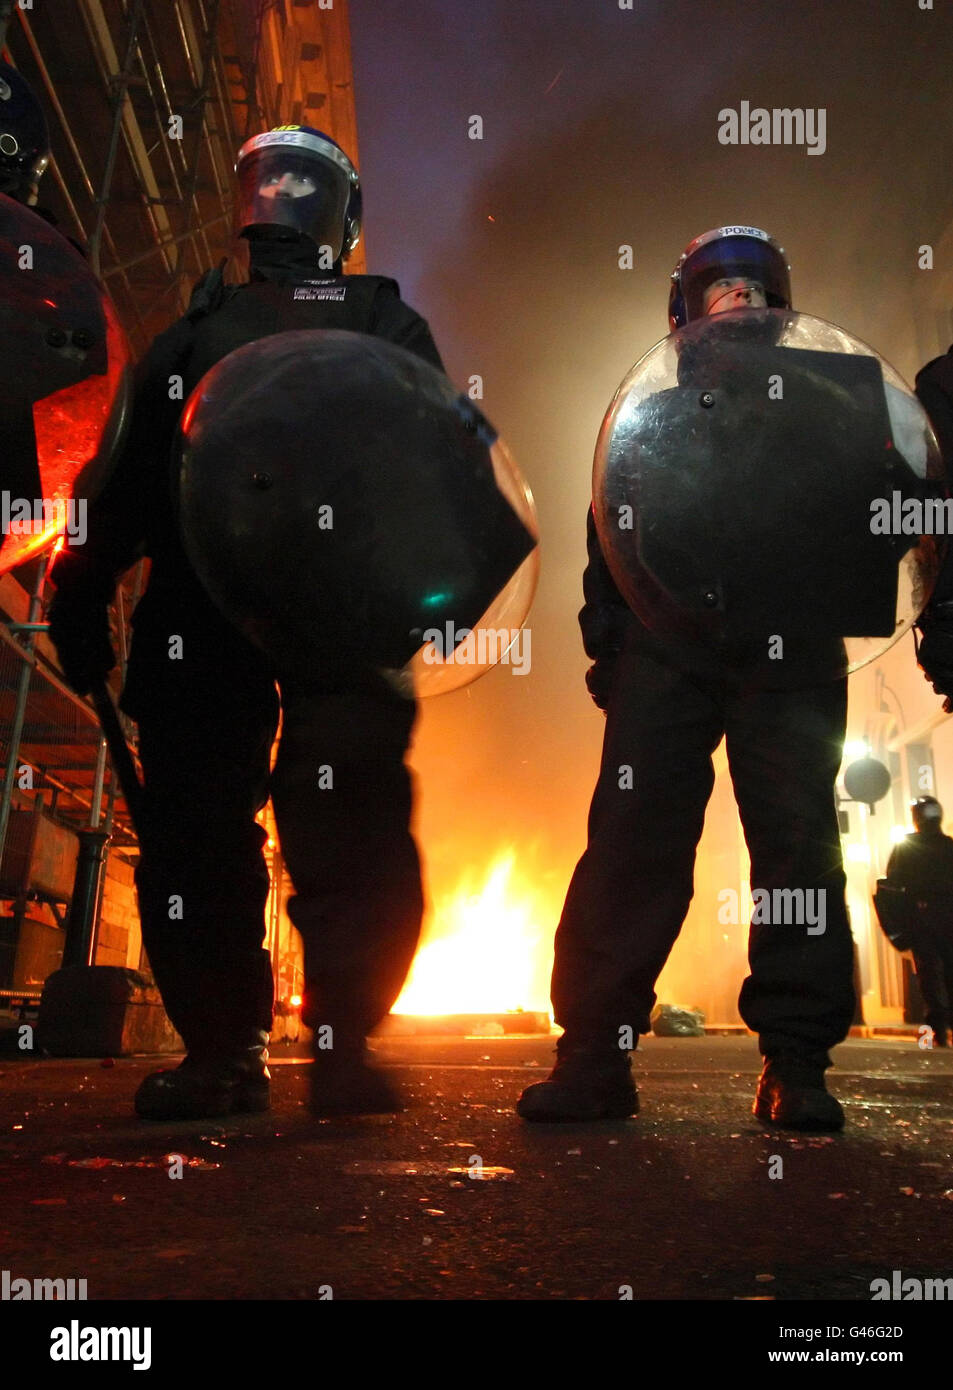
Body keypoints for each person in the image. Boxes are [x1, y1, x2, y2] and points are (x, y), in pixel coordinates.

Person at [48, 125, 445, 1121]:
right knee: (283, 826)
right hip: (297, 613)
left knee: (220, 833)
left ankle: (245, 1048)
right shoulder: (375, 323)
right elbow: (435, 468)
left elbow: (118, 491)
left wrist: (85, 590)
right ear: (338, 218)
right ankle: (311, 1043)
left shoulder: (214, 335)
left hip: (263, 613)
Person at [518, 227, 856, 1131]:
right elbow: (610, 536)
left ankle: (796, 1061)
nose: (739, 299)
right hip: (665, 645)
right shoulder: (649, 415)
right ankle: (593, 1054)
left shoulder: (836, 409)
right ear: (683, 309)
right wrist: (610, 647)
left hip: (789, 649)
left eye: (754, 287)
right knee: (632, 841)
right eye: (722, 287)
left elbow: (887, 516)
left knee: (794, 850)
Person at [885, 799, 953, 1047]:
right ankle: (942, 1026)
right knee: (947, 971)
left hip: (921, 919)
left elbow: (893, 882)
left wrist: (899, 918)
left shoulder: (907, 847)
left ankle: (937, 1029)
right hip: (946, 918)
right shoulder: (949, 846)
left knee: (928, 974)